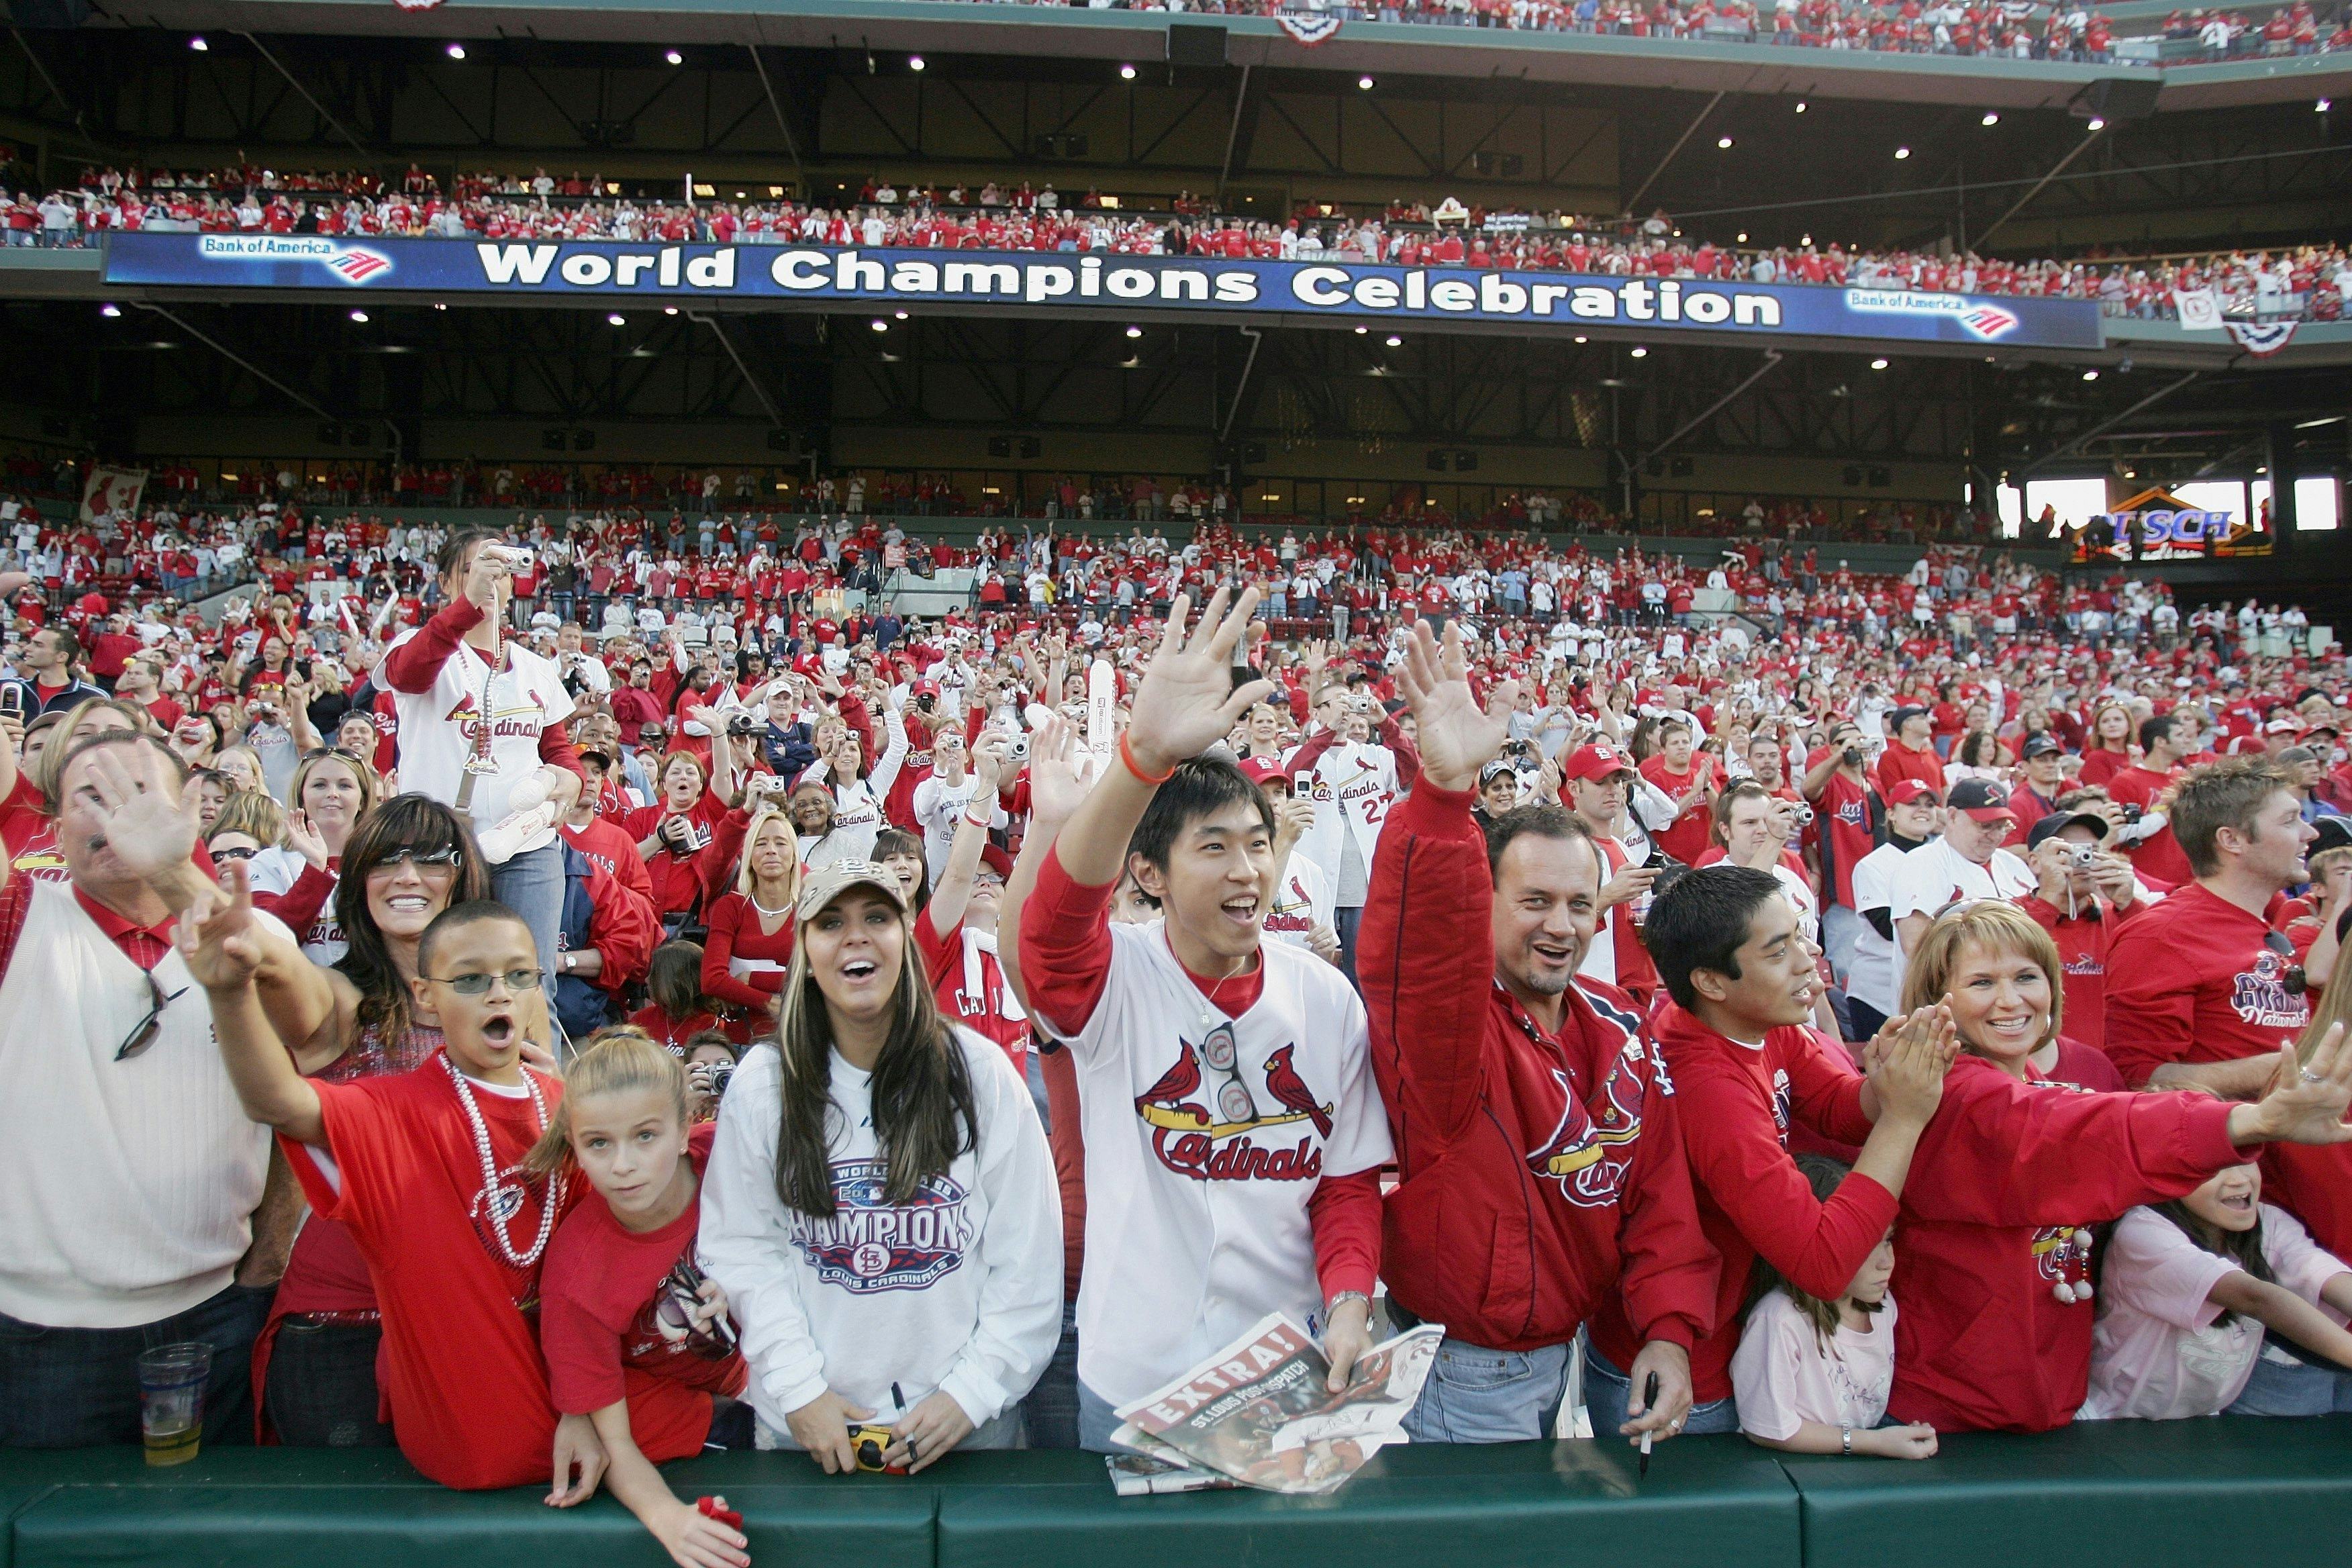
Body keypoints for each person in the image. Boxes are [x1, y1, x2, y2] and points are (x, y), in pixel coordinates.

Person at [1002, 587, 1389, 1452]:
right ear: (1149, 874)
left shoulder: (1326, 996)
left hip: (1286, 1369)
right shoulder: (1118, 979)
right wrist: (1139, 759)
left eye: (1256, 842)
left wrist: (1350, 1299)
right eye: (1213, 846)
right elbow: (1048, 936)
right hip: (1136, 1380)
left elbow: (1346, 1183)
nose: (1246, 868)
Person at [1359, 622, 1712, 1444]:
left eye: (1580, 904)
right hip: (1469, 1370)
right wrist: (1442, 795)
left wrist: (1669, 1325)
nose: (1562, 925)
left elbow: (1659, 1191)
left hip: (1575, 1349)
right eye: (1534, 902)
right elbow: (1414, 958)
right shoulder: (1455, 1033)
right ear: (1482, 903)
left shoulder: (1619, 1023)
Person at [189, 890, 605, 1492]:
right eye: (470, 979)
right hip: (419, 1402)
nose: (499, 993)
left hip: (537, 1408)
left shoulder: (568, 1111)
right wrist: (230, 995)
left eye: (519, 975)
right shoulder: (396, 1109)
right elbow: (277, 1102)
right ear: (425, 995)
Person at [1881, 900, 2352, 1432]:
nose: (2011, 1000)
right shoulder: (1957, 1092)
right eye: (1982, 983)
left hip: (2042, 1391)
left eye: (2027, 977)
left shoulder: (2045, 1078)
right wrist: (2251, 1121)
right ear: (1937, 999)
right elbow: (2093, 1127)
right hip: (1949, 1408)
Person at [699, 860, 1062, 1469]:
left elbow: (1029, 1257)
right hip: (808, 1431)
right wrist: (798, 1388)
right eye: (830, 923)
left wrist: (971, 1393)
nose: (856, 937)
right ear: (804, 951)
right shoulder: (763, 1084)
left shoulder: (980, 1073)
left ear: (907, 936)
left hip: (964, 1431)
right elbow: (742, 1248)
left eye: (876, 918)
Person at [0, 730, 291, 1447]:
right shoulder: (18, 919)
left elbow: (306, 1097)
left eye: (137, 792)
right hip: (44, 1335)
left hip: (219, 1311)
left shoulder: (259, 938)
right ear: (53, 829)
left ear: (189, 810)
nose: (114, 815)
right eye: (88, 797)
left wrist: (267, 1260)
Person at [2106, 759, 2351, 1258]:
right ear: (2232, 840)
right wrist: (2279, 1068)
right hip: (2259, 1220)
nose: (2309, 833)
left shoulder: (2265, 928)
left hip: (2317, 1193)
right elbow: (2137, 1080)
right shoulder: (2163, 933)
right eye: (2290, 821)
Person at [530, 1027, 752, 1568]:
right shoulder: (578, 1270)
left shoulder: (729, 1156)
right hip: (674, 1409)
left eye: (645, 1136)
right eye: (599, 1143)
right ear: (575, 1146)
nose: (623, 1165)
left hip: (766, 1367)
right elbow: (616, 1444)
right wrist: (668, 1518)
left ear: (684, 1129)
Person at [380, 528, 585, 1003]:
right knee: (438, 980)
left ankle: (535, 1055)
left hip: (525, 844)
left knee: (530, 985)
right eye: (476, 568)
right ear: (446, 581)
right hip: (438, 843)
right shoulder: (417, 643)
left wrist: (570, 780)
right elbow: (408, 675)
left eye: (501, 571)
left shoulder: (535, 666)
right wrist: (465, 607)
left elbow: (556, 749)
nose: (491, 580)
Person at [2082, 1162, 2352, 1421]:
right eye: (2213, 1167)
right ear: (2167, 1171)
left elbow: (2321, 1273)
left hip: (2197, 1422)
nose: (2240, 1179)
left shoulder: (2269, 1223)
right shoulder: (2143, 1232)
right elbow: (2256, 1298)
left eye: (2246, 1160)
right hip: (2111, 1421)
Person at [1730, 1154, 1939, 1460]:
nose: (1887, 1262)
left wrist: (1899, 1438)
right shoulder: (1779, 1320)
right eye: (1865, 1244)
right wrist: (1875, 1443)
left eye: (1888, 1239)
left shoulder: (1882, 1306)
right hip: (1792, 1470)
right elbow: (1768, 1428)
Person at [247, 747, 379, 965]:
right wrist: (315, 870)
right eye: (319, 785)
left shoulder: (382, 860)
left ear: (363, 800)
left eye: (345, 786)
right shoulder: (268, 863)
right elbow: (267, 938)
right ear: (302, 796)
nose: (333, 793)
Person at [1891, 777, 2033, 965]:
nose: (1995, 836)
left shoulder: (2013, 864)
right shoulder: (1923, 862)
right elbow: (1916, 945)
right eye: (1985, 826)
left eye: (2001, 827)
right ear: (1952, 817)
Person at [1845, 780, 1939, 1039]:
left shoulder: (1941, 859)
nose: (1923, 809)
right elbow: (1887, 928)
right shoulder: (1873, 865)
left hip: (1927, 983)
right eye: (1913, 803)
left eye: (1929, 804)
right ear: (1891, 814)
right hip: (1878, 990)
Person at [699, 804, 801, 1023]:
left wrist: (751, 978)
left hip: (798, 1029)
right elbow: (711, 979)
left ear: (794, 856)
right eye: (761, 843)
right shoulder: (730, 907)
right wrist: (770, 1002)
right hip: (741, 1032)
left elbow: (821, 978)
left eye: (781, 843)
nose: (771, 850)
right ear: (750, 857)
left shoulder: (809, 910)